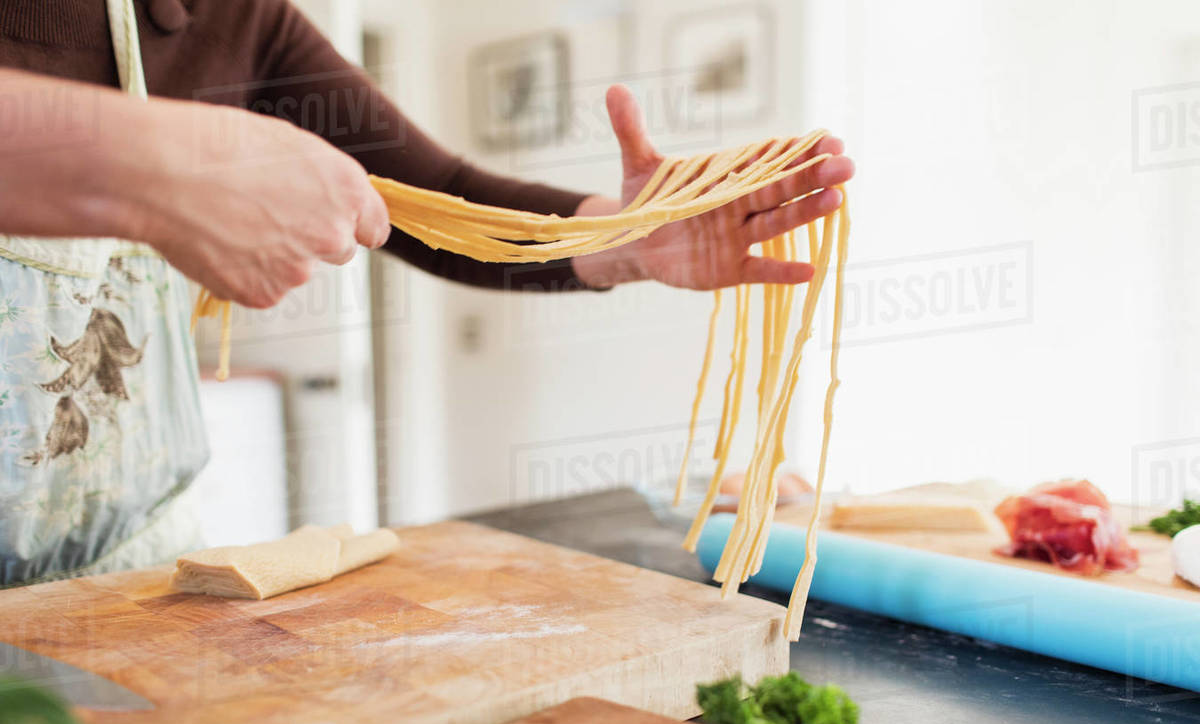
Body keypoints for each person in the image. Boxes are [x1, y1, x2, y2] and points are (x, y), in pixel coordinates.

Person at [0, 0, 854, 585]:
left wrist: (627, 237)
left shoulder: (231, 14)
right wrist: (160, 164)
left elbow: (435, 194)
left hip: (138, 585)